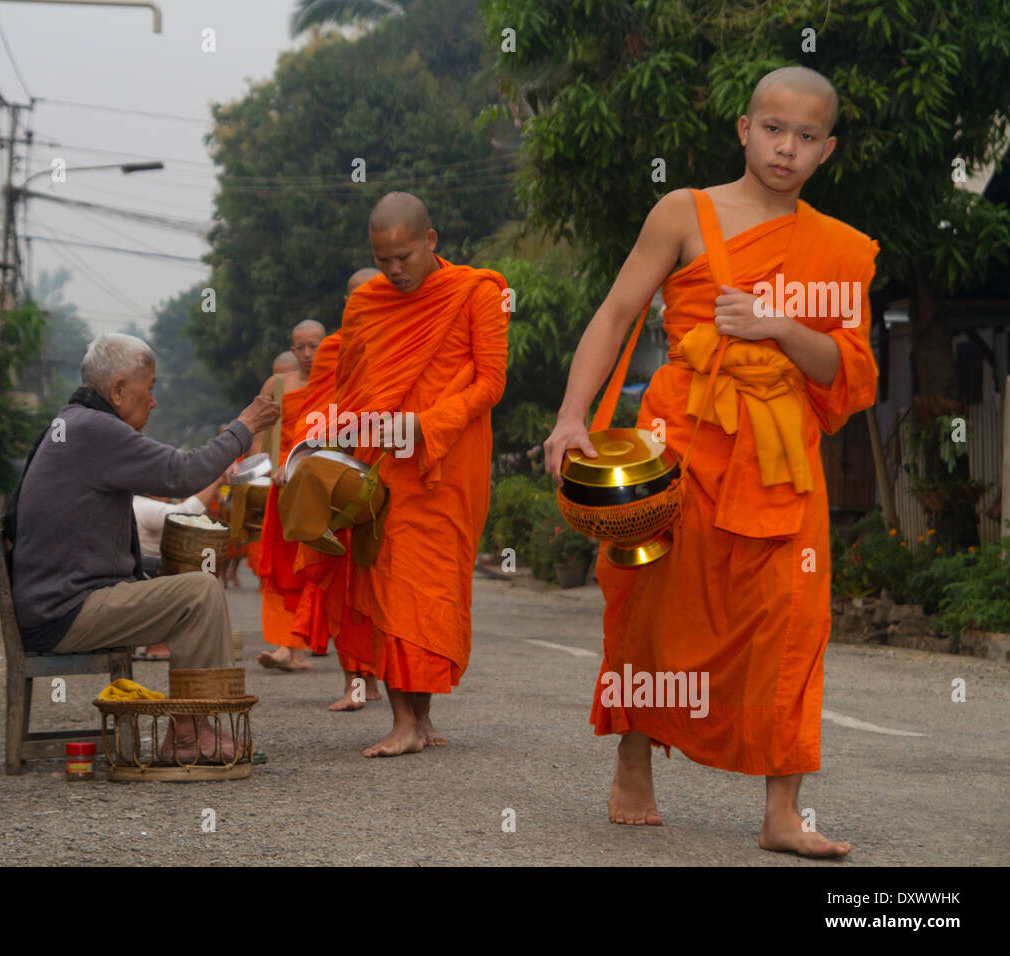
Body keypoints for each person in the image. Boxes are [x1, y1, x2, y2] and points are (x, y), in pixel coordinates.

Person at [542, 67, 876, 858]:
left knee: (792, 623)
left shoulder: (839, 249)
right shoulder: (683, 213)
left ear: (826, 151)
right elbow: (618, 311)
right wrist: (570, 418)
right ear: (743, 129)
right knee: (652, 602)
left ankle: (781, 813)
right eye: (772, 129)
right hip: (682, 437)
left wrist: (778, 329)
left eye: (804, 137)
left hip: (779, 453)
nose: (785, 147)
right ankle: (634, 756)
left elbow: (849, 372)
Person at [10, 333, 278, 760]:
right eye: (148, 388)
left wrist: (156, 566)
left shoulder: (76, 424)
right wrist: (244, 427)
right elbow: (182, 473)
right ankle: (191, 736)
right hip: (64, 613)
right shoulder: (95, 429)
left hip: (59, 603)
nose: (153, 401)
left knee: (190, 580)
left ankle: (195, 728)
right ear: (118, 390)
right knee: (200, 591)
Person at [330, 193, 508, 756]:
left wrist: (427, 424)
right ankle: (402, 721)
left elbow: (491, 381)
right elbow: (350, 389)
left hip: (450, 465)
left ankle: (422, 718)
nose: (394, 270)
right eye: (383, 260)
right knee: (391, 583)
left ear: (430, 241)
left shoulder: (477, 292)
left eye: (403, 256)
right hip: (388, 471)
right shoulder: (365, 306)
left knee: (435, 589)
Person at [287, 268, 384, 710]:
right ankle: (354, 683)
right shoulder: (333, 349)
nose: (361, 302)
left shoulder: (399, 339)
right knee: (345, 585)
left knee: (387, 584)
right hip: (346, 474)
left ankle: (383, 678)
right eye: (353, 296)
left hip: (393, 469)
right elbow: (315, 414)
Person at [253, 320, 327, 673]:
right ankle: (287, 646)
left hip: (322, 487)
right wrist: (261, 467)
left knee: (312, 567)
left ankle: (297, 647)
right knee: (283, 569)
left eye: (315, 345)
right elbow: (256, 434)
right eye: (301, 347)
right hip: (283, 485)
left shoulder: (337, 381)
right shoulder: (277, 385)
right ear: (292, 348)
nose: (308, 354)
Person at [130, 474, 226, 662]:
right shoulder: (144, 506)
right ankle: (160, 643)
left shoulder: (130, 503)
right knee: (201, 578)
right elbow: (186, 515)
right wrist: (217, 479)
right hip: (145, 581)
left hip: (132, 576)